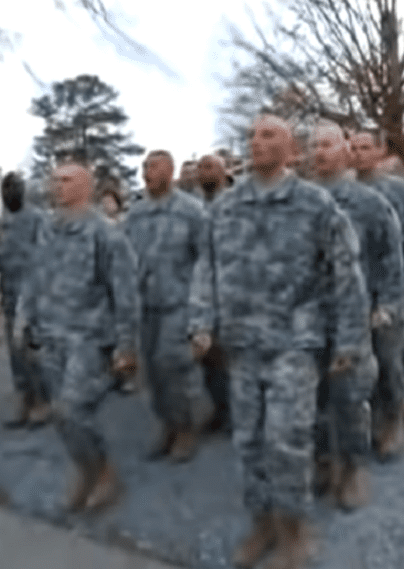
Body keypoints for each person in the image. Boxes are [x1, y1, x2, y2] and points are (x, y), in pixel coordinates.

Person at [190, 114, 369, 569]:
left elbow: (345, 274)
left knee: (286, 440)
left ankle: (295, 530)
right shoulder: (225, 209)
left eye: (268, 134)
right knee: (247, 441)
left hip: (295, 343)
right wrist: (201, 321)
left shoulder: (315, 205)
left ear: (291, 150)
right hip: (241, 345)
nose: (256, 141)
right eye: (252, 135)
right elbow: (205, 269)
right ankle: (262, 522)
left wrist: (348, 340)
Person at [13, 163, 139, 514]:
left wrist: (126, 346)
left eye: (66, 180)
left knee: (73, 409)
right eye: (54, 180)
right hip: (51, 337)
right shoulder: (46, 230)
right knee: (61, 414)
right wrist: (23, 321)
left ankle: (104, 471)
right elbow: (33, 278)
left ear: (86, 187)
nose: (57, 186)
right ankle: (87, 469)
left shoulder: (106, 234)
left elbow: (126, 294)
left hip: (89, 339)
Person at [308, 121, 404, 497]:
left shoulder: (370, 203)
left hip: (353, 317)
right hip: (308, 318)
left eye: (328, 144)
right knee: (312, 398)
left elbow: (390, 258)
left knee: (349, 397)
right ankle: (324, 460)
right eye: (314, 145)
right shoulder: (299, 200)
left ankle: (353, 467)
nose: (320, 151)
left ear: (345, 151)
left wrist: (386, 305)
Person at [125, 150, 211, 463]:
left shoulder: (191, 211)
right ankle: (167, 425)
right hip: (146, 305)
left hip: (179, 304)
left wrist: (202, 315)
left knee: (175, 369)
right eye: (144, 166)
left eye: (154, 166)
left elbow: (205, 260)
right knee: (153, 373)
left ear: (170, 171)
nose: (147, 172)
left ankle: (186, 428)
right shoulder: (135, 214)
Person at [350, 130, 404, 422]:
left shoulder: (401, 191)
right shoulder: (342, 190)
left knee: (391, 357)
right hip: (355, 290)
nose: (358, 153)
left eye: (364, 148)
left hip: (394, 286)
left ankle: (396, 415)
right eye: (353, 148)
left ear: (379, 151)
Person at [0, 172, 51, 429]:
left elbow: (46, 258)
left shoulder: (38, 219)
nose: (10, 193)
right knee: (15, 354)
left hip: (34, 296)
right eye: (6, 188)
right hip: (10, 296)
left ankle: (43, 402)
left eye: (15, 188)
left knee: (32, 351)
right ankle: (24, 399)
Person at [196, 153, 232, 434]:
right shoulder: (196, 208)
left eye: (209, 167)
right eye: (200, 169)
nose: (203, 173)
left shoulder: (236, 202)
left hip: (234, 291)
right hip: (204, 292)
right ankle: (221, 411)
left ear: (222, 171)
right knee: (210, 359)